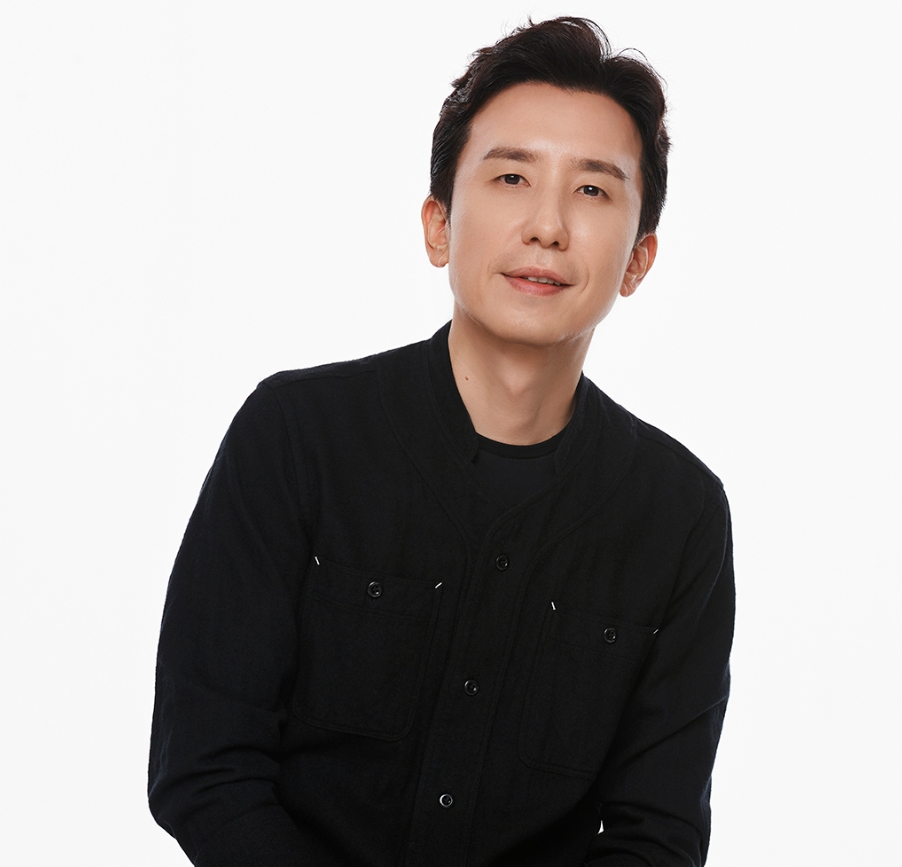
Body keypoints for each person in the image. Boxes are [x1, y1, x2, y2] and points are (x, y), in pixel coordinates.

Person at [149, 16, 735, 867]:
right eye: (511, 176)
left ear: (639, 259)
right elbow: (205, 768)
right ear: (438, 225)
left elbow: (658, 833)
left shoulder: (678, 513)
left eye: (593, 190)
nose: (547, 225)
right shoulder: (296, 437)